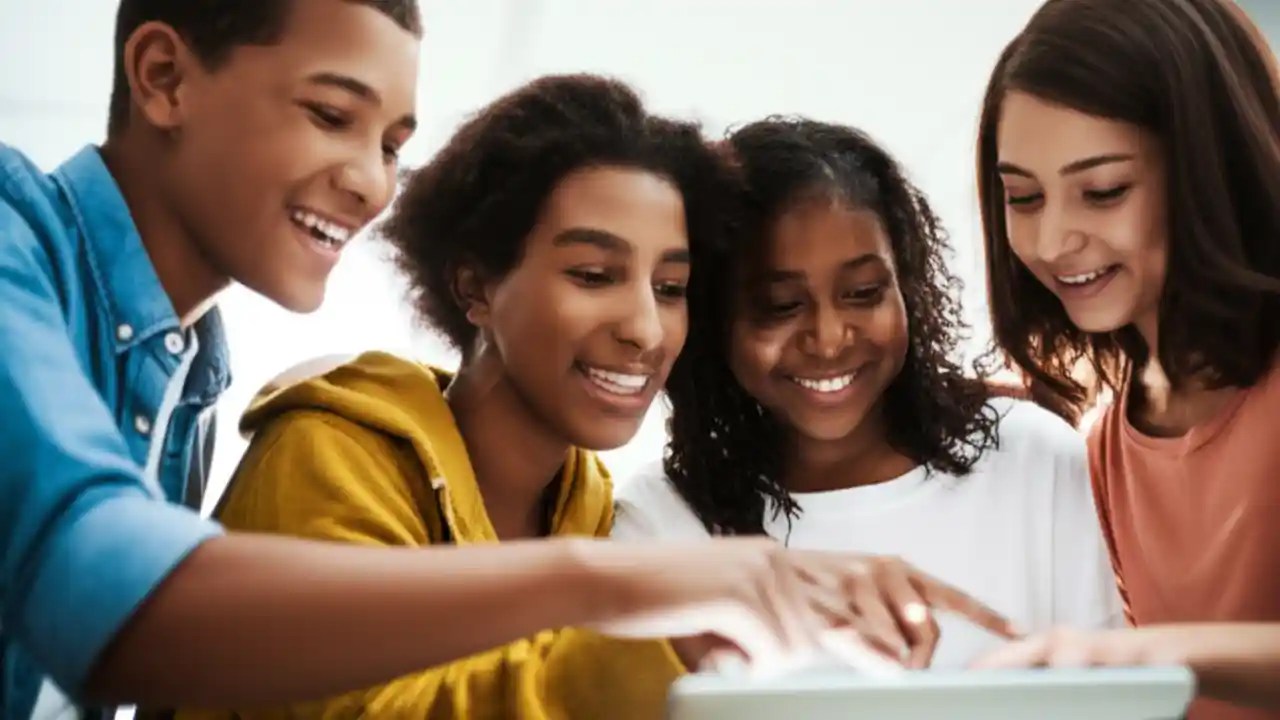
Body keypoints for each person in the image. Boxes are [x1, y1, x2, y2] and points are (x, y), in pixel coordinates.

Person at [0, 2, 1012, 718]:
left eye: (392, 141)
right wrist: (640, 604)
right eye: (329, 113)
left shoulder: (184, 378)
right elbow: (114, 602)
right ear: (164, 76)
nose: (367, 182)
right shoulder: (323, 437)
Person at [613, 117, 1120, 670]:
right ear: (715, 319)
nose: (829, 339)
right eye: (781, 306)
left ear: (906, 285)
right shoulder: (661, 520)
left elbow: (1113, 694)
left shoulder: (1031, 457)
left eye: (862, 293)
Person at [969, 0, 1280, 716]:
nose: (1051, 242)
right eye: (1022, 196)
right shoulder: (1108, 443)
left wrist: (1126, 656)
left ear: (1209, 170)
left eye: (1103, 192)